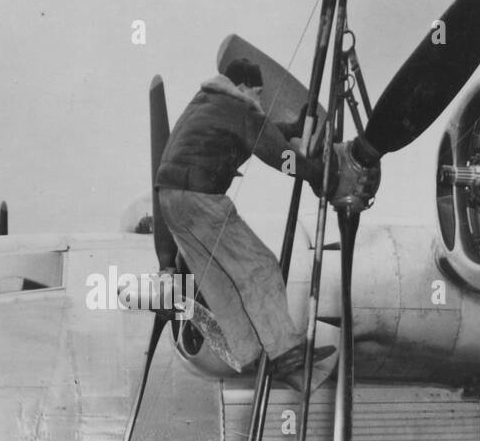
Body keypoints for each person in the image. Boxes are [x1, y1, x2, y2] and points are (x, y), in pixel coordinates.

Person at [155, 58, 380, 384]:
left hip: (171, 200)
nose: (259, 100)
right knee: (261, 267)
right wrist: (325, 178)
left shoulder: (206, 101)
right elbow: (280, 157)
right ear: (244, 87)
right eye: (257, 93)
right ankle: (286, 352)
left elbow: (259, 133)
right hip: (201, 198)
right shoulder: (238, 107)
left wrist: (291, 130)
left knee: (219, 280)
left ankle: (248, 353)